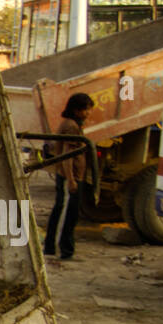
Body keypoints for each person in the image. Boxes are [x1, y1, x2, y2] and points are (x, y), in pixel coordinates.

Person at [44, 92, 92, 261]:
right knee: (66, 213)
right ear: (76, 110)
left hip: (68, 176)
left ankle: (54, 247)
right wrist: (71, 179)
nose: (88, 113)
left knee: (64, 211)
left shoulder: (71, 124)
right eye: (85, 110)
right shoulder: (71, 126)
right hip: (68, 177)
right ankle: (61, 249)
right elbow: (67, 155)